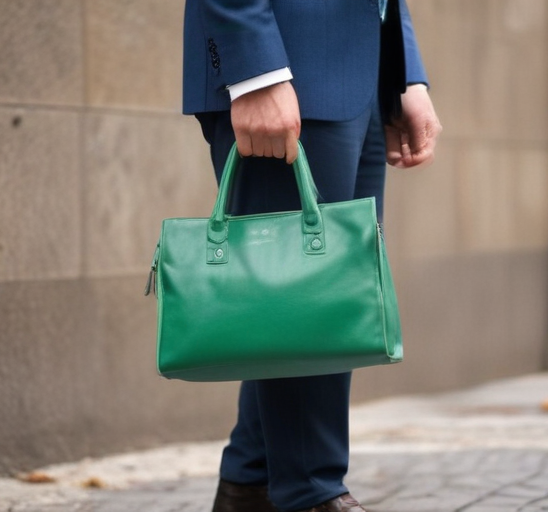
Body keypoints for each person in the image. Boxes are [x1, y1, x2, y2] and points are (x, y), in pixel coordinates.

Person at [182, 1, 441, 511]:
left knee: (314, 304)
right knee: (304, 297)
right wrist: (255, 70)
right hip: (282, 65)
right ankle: (310, 496)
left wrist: (405, 76)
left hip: (360, 73)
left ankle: (248, 485)